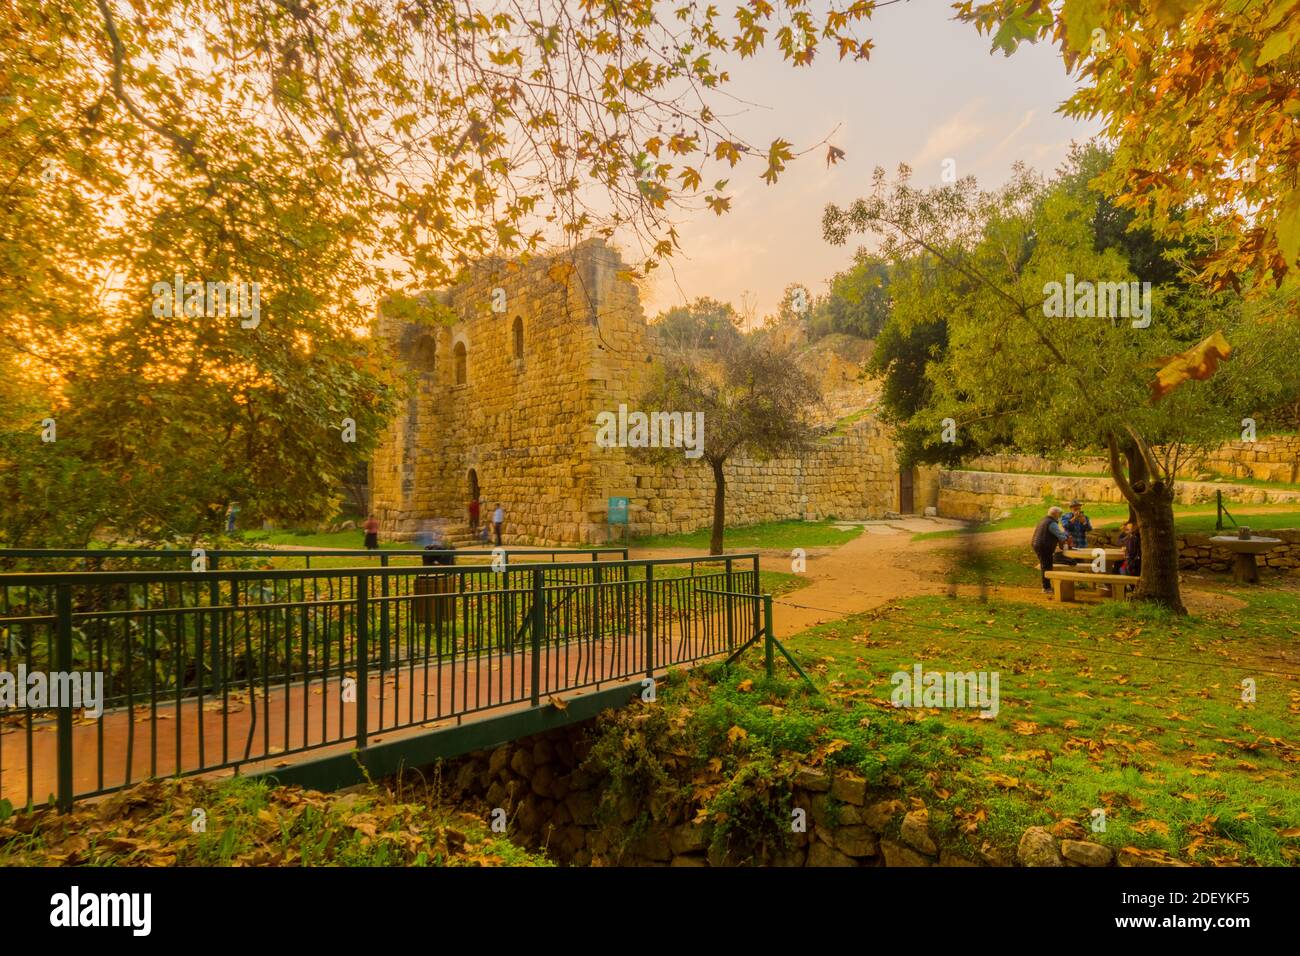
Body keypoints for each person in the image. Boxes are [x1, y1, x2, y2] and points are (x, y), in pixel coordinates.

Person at [1031, 506, 1069, 594]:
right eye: (1060, 514)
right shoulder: (1052, 523)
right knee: (1046, 566)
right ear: (1055, 514)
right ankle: (1046, 588)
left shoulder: (1043, 520)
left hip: (1037, 544)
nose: (1060, 516)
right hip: (1044, 546)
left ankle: (1047, 586)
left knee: (1045, 565)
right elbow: (1061, 536)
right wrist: (1066, 537)